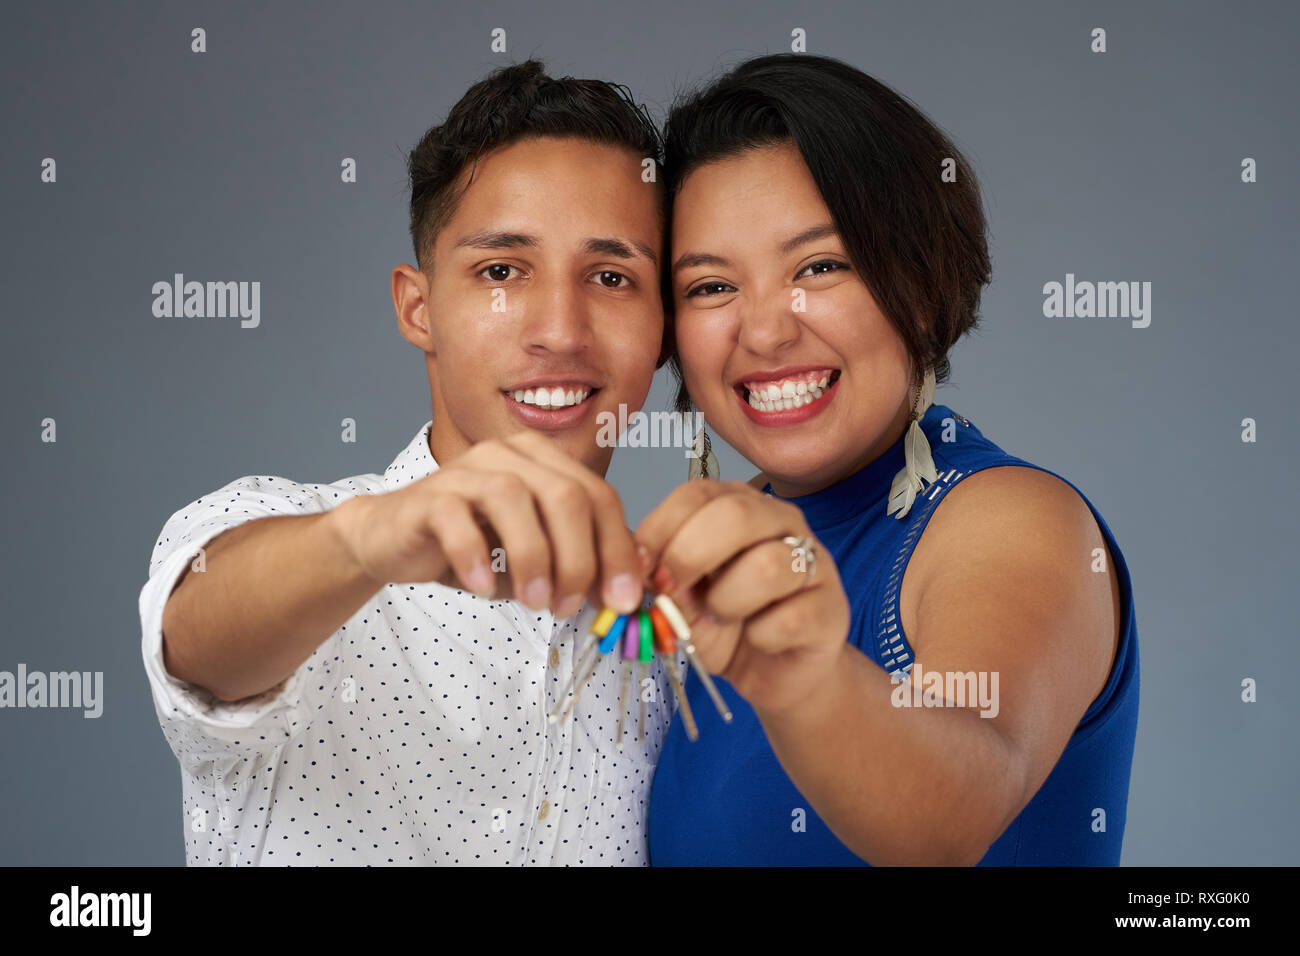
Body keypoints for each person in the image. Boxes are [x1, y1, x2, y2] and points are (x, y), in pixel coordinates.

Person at [138, 60, 678, 865]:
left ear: (663, 325)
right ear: (418, 308)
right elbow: (194, 642)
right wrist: (369, 540)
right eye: (501, 271)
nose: (561, 331)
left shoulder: (672, 638)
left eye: (611, 277)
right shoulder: (276, 530)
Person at [640, 53, 1140, 865]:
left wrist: (796, 667)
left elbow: (958, 801)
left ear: (917, 274)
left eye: (821, 266)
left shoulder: (1012, 518)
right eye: (710, 287)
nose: (765, 332)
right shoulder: (717, 560)